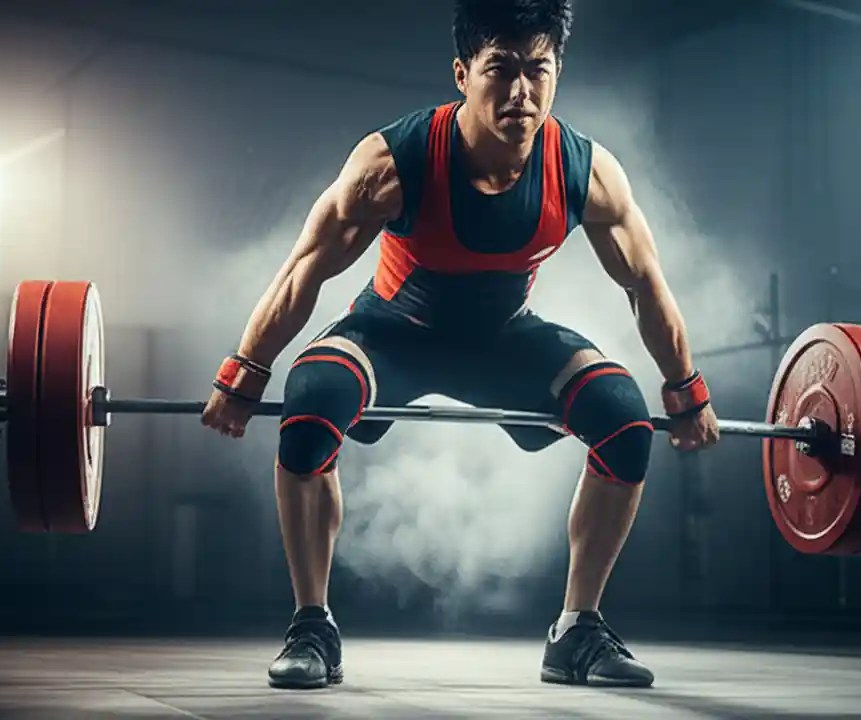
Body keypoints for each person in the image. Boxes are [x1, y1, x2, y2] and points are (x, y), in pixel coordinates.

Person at [201, 0, 718, 690]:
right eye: (499, 69)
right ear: (461, 73)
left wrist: (684, 390)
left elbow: (646, 285)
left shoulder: (585, 171)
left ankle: (577, 630)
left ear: (558, 69)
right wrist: (244, 373)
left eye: (537, 69)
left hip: (501, 341)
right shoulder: (394, 159)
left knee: (624, 419)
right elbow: (306, 267)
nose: (520, 92)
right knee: (312, 401)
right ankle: (312, 625)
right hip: (392, 335)